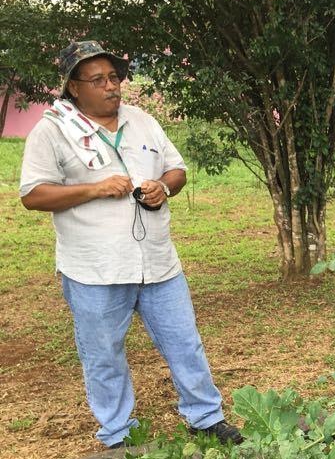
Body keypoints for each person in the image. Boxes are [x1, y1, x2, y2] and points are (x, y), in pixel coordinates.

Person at [19, 40, 242, 449]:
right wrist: (94, 189)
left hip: (158, 262)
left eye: (114, 77)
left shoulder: (142, 120)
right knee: (103, 355)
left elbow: (177, 170)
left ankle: (206, 418)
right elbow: (33, 195)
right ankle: (118, 434)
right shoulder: (52, 131)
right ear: (73, 87)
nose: (111, 86)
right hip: (95, 269)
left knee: (184, 343)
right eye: (98, 80)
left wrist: (163, 187)